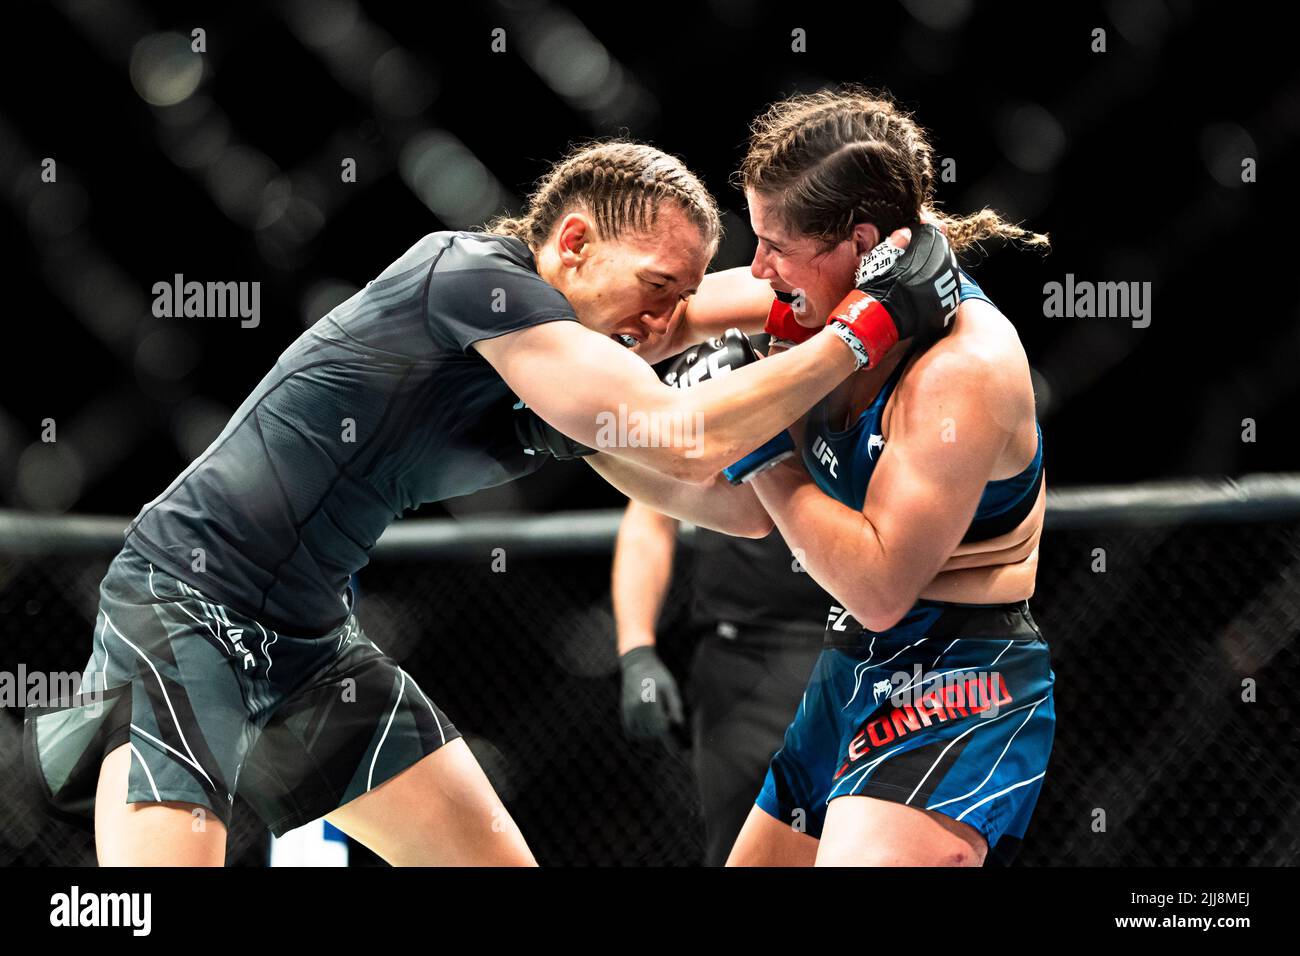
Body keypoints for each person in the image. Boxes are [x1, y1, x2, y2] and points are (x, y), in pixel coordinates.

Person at [23, 138, 932, 866]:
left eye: (682, 298)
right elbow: (684, 435)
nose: (664, 324)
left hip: (309, 644)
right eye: (657, 287)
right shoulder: (468, 278)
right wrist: (869, 321)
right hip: (186, 606)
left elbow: (726, 502)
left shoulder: (557, 390)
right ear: (571, 245)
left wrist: (828, 293)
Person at [591, 87, 1056, 867]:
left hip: (959, 681)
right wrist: (557, 344)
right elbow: (667, 315)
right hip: (852, 672)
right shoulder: (808, 306)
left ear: (862, 243)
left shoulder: (960, 369)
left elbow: (878, 590)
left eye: (776, 242)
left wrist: (759, 444)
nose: (760, 266)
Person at [613, 496, 827, 867]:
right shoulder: (699, 437)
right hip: (741, 662)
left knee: (878, 838)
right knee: (745, 847)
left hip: (872, 648)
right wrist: (637, 653)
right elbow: (649, 519)